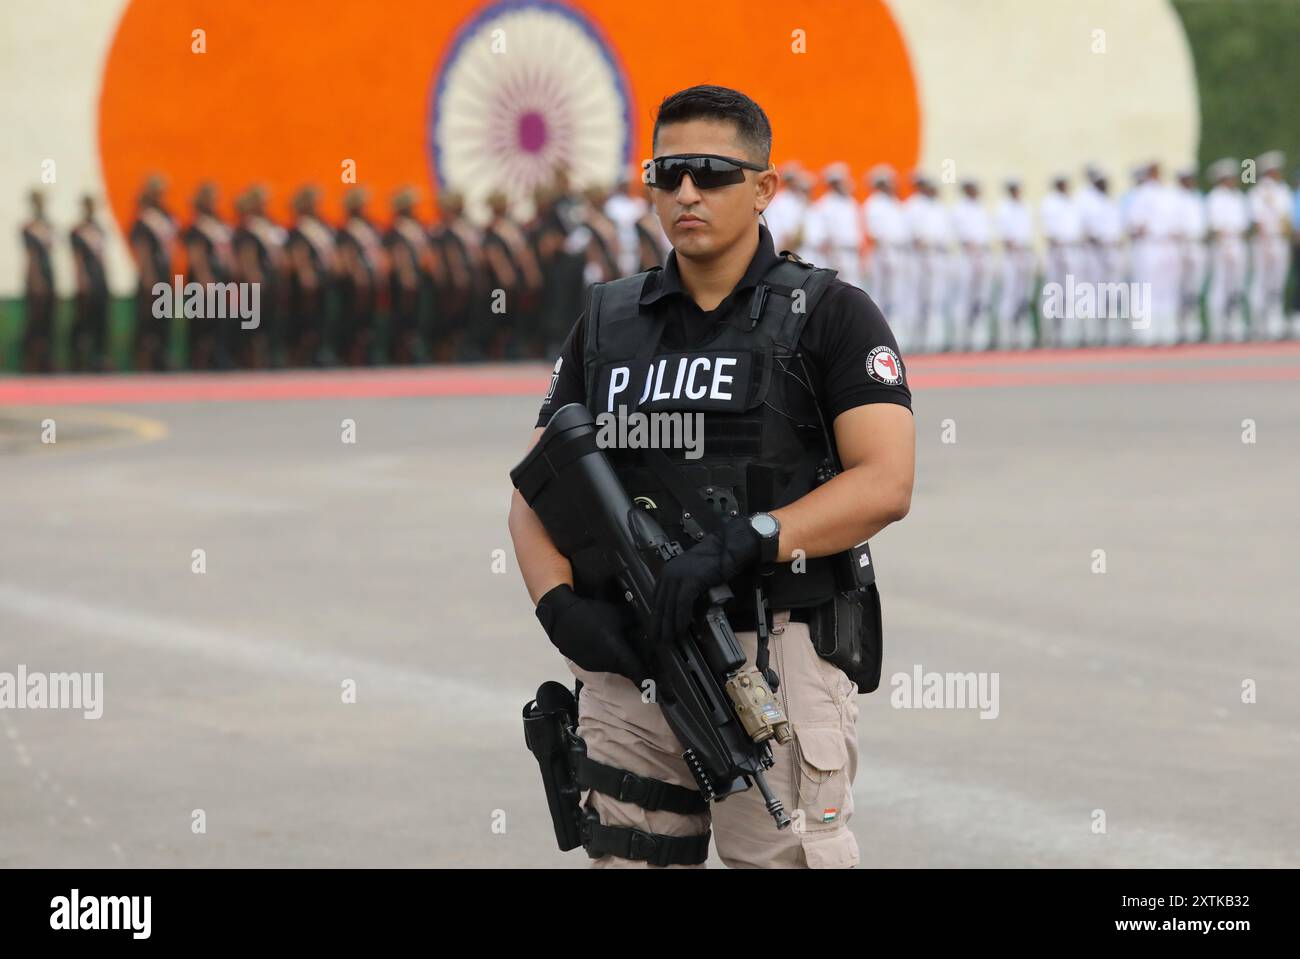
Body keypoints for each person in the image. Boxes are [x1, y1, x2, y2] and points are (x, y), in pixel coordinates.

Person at [508, 84, 915, 869]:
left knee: (785, 855)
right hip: (632, 654)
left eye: (713, 173)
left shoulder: (830, 313)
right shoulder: (607, 320)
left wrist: (747, 542)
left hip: (772, 658)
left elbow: (885, 480)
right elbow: (537, 487)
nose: (686, 191)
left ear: (764, 187)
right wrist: (560, 608)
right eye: (667, 172)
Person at [182, 182, 237, 370]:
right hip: (204, 281)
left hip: (220, 278)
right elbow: (196, 255)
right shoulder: (197, 227)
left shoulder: (218, 224)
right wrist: (204, 278)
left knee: (220, 320)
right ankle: (198, 360)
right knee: (201, 322)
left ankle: (218, 357)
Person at [285, 185, 338, 367]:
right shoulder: (300, 229)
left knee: (322, 317)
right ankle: (304, 354)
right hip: (307, 282)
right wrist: (306, 273)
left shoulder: (320, 227)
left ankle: (320, 351)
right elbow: (299, 253)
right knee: (307, 317)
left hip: (323, 278)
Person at [129, 175, 177, 371]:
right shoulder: (144, 219)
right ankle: (144, 360)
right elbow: (143, 249)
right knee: (147, 318)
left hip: (164, 272)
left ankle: (160, 356)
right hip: (151, 275)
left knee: (163, 317)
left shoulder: (165, 216)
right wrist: (148, 275)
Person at [862, 164, 912, 348]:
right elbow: (876, 234)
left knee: (897, 296)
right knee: (880, 297)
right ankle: (879, 339)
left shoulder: (896, 203)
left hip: (900, 252)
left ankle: (898, 337)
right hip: (883, 253)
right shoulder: (873, 203)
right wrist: (886, 255)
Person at [1247, 151, 1294, 340]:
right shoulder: (1258, 192)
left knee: (1277, 284)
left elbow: (1286, 219)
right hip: (1265, 241)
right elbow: (1257, 221)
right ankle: (1257, 323)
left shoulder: (1282, 191)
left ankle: (1274, 323)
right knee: (1261, 282)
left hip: (1279, 240)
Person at [1205, 158, 1251, 343]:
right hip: (1223, 244)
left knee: (1237, 287)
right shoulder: (1215, 197)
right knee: (1220, 285)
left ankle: (1236, 325)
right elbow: (1216, 226)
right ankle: (1216, 327)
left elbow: (1245, 224)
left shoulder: (1239, 197)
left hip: (1238, 243)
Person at [949, 177, 993, 351]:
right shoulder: (959, 209)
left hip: (982, 254)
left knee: (981, 298)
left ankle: (979, 339)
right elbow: (961, 234)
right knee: (964, 297)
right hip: (966, 255)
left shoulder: (981, 207)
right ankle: (960, 339)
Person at [70, 194, 110, 372]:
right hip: (87, 279)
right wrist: (82, 279)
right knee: (83, 320)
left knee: (101, 319)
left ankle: (98, 357)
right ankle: (79, 359)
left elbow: (101, 257)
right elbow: (77, 258)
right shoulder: (78, 231)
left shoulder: (99, 229)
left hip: (99, 278)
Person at [994, 178, 1037, 349]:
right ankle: (1006, 337)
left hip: (1025, 253)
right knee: (1009, 294)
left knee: (1024, 296)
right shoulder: (1003, 208)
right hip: (1011, 255)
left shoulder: (1025, 207)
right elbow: (1004, 235)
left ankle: (1022, 336)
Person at [20, 189, 56, 373]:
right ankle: (31, 360)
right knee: (35, 320)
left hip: (48, 275)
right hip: (36, 277)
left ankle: (45, 359)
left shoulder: (47, 226)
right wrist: (36, 280)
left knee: (48, 319)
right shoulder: (29, 228)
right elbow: (32, 256)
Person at [1174, 167, 1208, 344]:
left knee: (1195, 288)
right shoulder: (1174, 199)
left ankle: (1194, 327)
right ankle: (1180, 326)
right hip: (1182, 245)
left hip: (1197, 244)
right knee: (1181, 288)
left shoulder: (1198, 197)